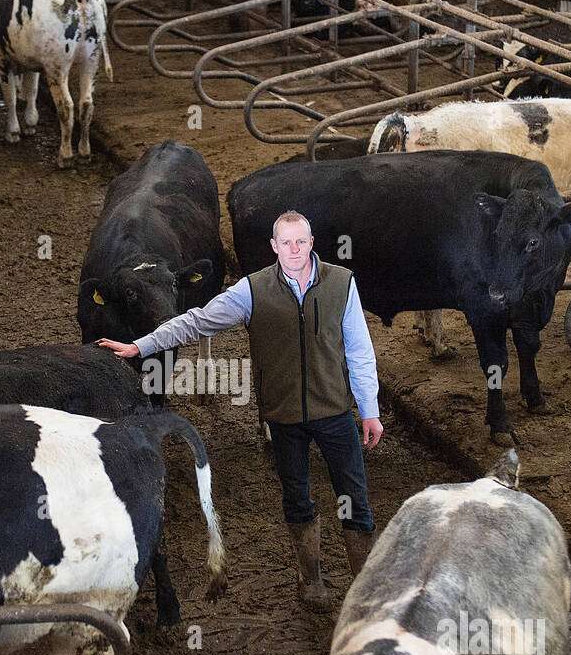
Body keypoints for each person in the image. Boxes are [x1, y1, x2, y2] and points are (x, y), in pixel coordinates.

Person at [96, 210, 381, 613]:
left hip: (335, 413)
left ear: (311, 242)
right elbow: (195, 323)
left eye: (301, 241)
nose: (294, 250)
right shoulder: (252, 290)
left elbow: (360, 351)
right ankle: (311, 579)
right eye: (286, 243)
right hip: (283, 419)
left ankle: (367, 591)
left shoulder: (341, 284)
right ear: (274, 247)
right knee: (298, 498)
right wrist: (141, 346)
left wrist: (369, 410)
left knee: (355, 498)